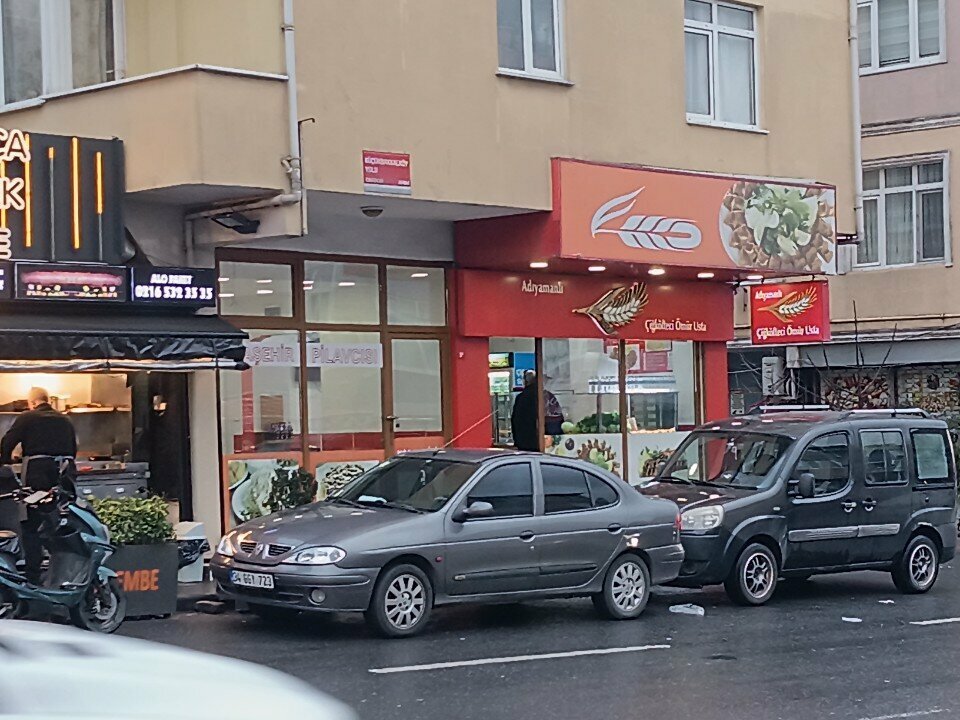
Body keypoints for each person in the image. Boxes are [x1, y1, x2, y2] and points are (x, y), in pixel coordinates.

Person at [0, 387, 77, 584]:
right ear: (48, 400)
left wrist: (6, 462)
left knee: (32, 522)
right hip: (65, 473)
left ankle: (33, 577)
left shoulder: (28, 417)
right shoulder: (65, 419)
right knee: (62, 519)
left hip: (38, 472)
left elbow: (7, 441)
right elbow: (74, 448)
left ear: (32, 402)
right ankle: (62, 572)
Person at [510, 370, 566, 451]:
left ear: (526, 382)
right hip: (547, 442)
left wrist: (517, 441)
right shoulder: (547, 396)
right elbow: (558, 419)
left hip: (525, 443)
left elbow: (515, 420)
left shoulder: (521, 398)